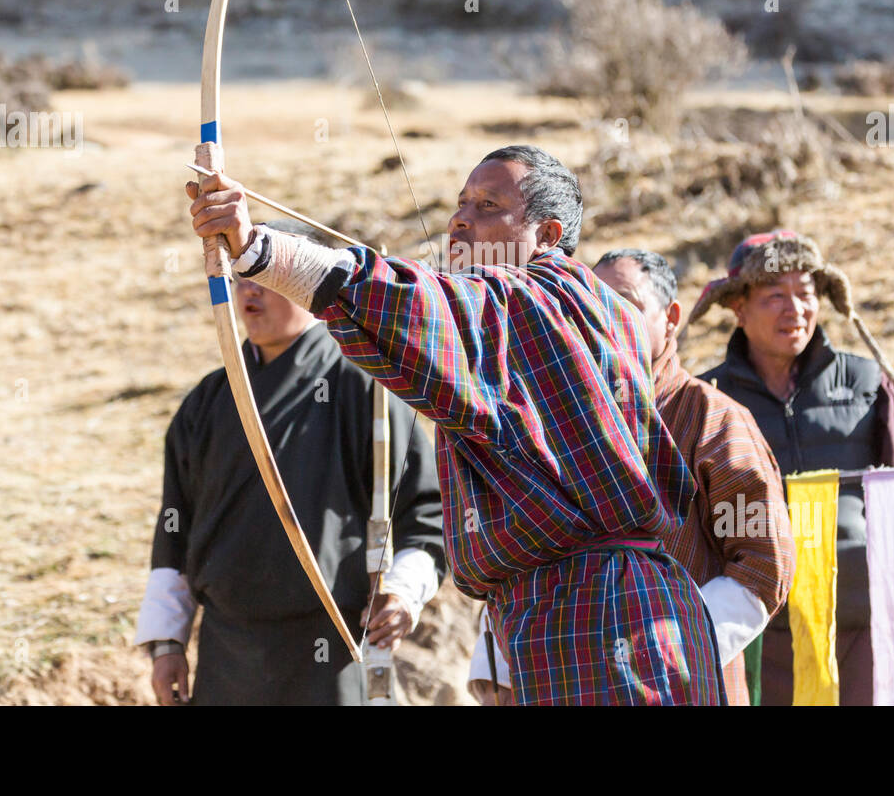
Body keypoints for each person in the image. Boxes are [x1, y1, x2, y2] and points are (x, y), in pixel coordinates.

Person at [188, 145, 726, 705]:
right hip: (567, 607)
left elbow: (411, 304)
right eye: (461, 202)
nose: (461, 219)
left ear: (546, 234)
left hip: (608, 613)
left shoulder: (546, 299)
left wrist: (258, 249)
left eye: (489, 204)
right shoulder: (536, 310)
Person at [134, 220, 445, 705]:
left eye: (267, 276)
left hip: (331, 647)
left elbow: (425, 517)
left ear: (303, 279)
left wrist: (404, 593)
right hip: (226, 653)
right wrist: (167, 642)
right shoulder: (208, 401)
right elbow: (175, 530)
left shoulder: (367, 386)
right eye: (241, 278)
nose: (250, 293)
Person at [467, 248, 796, 706]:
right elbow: (525, 552)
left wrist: (666, 653)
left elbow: (762, 566)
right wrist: (498, 670)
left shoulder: (713, 420)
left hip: (679, 685)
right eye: (589, 306)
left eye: (625, 305)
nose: (604, 321)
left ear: (671, 319)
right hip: (556, 677)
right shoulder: (558, 419)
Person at [690, 229, 894, 706]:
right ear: (738, 309)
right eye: (774, 297)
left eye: (806, 295)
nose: (795, 309)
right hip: (761, 634)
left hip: (861, 622)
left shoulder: (864, 383)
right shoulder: (709, 400)